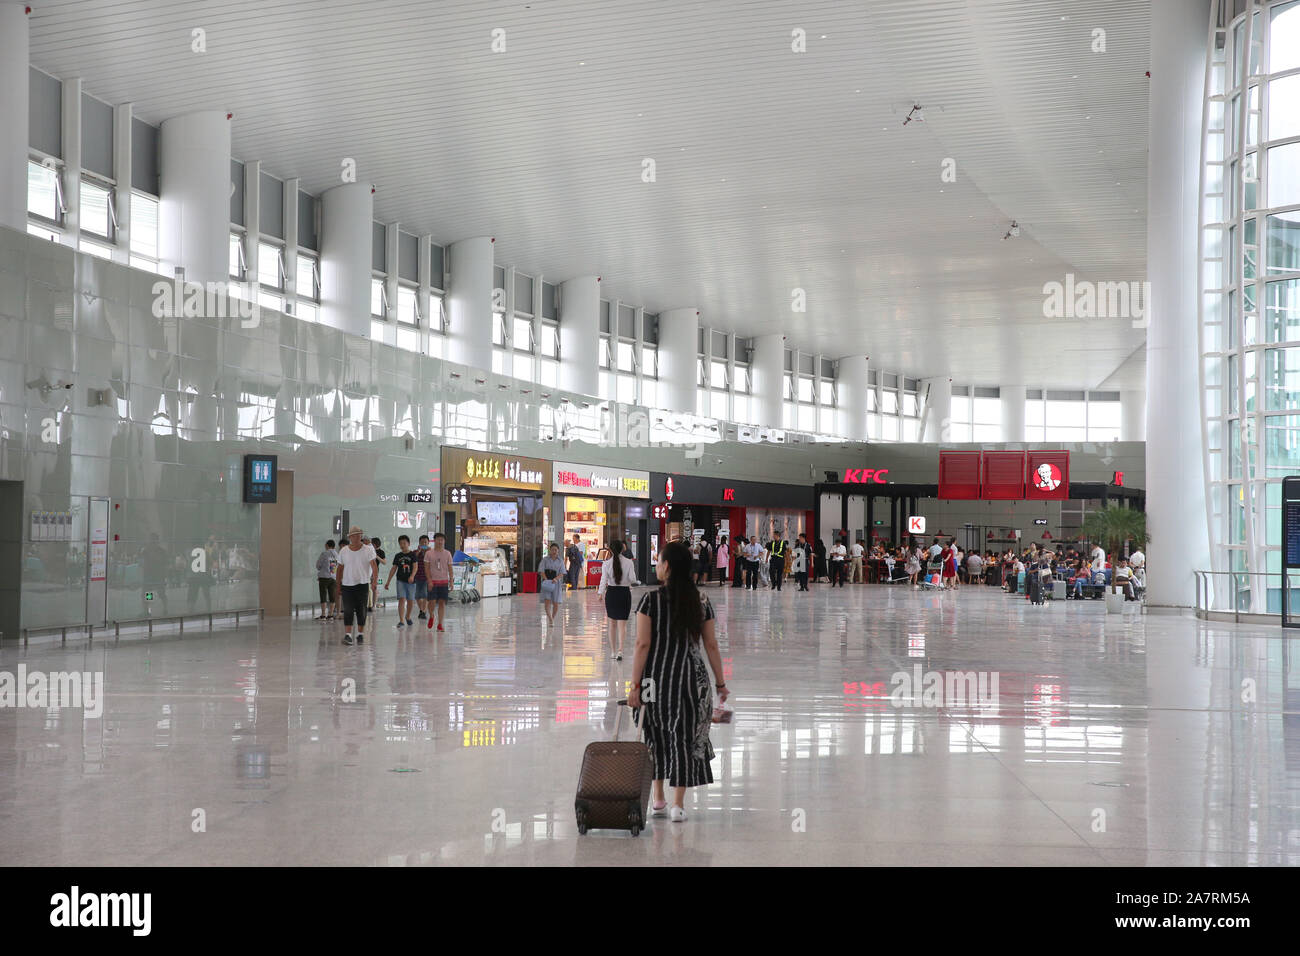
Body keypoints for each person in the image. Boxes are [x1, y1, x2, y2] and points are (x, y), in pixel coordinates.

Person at [628, 541, 727, 823]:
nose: (657, 565)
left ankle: (657, 798)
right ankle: (678, 805)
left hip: (654, 681)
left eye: (659, 561)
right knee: (682, 739)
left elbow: (642, 645)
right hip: (691, 682)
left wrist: (634, 686)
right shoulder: (701, 600)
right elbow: (711, 645)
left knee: (655, 737)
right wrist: (720, 684)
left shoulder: (650, 600)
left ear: (667, 566)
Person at [335, 526, 377, 646]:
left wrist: (374, 581)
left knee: (361, 609)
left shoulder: (368, 550)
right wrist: (338, 585)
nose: (357, 537)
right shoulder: (344, 551)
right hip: (347, 584)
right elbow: (340, 569)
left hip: (363, 583)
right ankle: (348, 635)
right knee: (348, 609)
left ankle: (360, 634)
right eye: (354, 535)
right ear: (350, 537)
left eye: (359, 534)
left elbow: (374, 566)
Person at [598, 539, 639, 660]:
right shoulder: (628, 562)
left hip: (611, 594)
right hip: (624, 593)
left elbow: (603, 580)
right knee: (622, 625)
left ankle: (613, 652)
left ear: (610, 550)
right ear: (622, 549)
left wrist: (600, 593)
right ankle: (620, 651)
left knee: (612, 624)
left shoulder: (606, 563)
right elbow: (632, 579)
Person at [384, 534, 418, 627]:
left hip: (411, 581)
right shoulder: (398, 556)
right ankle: (402, 620)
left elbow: (415, 567)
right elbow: (393, 569)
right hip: (400, 581)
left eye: (404, 543)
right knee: (401, 599)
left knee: (410, 600)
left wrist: (412, 576)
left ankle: (408, 616)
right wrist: (388, 581)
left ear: (408, 543)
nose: (402, 545)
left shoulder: (412, 555)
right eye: (400, 543)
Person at [424, 532, 453, 632]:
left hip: (444, 581)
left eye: (442, 540)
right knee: (431, 601)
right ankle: (431, 615)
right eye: (438, 539)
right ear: (434, 541)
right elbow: (426, 568)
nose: (440, 542)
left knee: (442, 603)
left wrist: (451, 581)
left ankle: (440, 624)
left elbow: (450, 568)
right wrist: (429, 580)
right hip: (433, 581)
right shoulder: (429, 553)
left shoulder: (447, 553)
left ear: (444, 541)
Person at [539, 542, 566, 625]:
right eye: (553, 550)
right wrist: (546, 580)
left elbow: (562, 573)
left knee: (556, 602)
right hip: (547, 583)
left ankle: (552, 618)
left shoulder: (560, 561)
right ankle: (550, 619)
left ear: (558, 551)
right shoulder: (545, 560)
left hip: (556, 583)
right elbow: (541, 571)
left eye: (556, 550)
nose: (554, 551)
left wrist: (556, 579)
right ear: (550, 550)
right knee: (547, 601)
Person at [315, 539, 338, 620]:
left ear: (327, 545)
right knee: (332, 596)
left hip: (324, 577)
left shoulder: (325, 553)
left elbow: (318, 565)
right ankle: (331, 615)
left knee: (323, 595)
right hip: (333, 578)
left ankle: (323, 615)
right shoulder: (337, 554)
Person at [412, 533, 431, 621]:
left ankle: (423, 611)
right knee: (417, 596)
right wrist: (419, 551)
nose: (424, 544)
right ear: (419, 543)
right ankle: (421, 610)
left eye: (425, 542)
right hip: (417, 577)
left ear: (428, 543)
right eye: (422, 542)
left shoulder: (431, 553)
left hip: (427, 577)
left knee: (425, 596)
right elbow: (412, 559)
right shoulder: (415, 552)